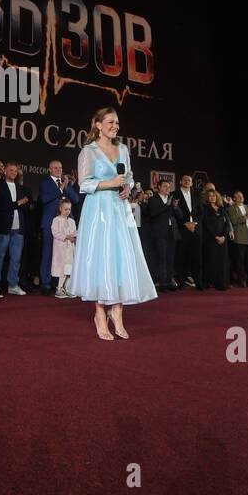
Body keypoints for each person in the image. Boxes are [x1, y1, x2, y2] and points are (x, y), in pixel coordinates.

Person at [69, 107, 156, 340]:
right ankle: (99, 313)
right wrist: (109, 183)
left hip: (119, 209)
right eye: (110, 122)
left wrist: (127, 187)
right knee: (102, 258)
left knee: (121, 258)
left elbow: (128, 177)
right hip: (98, 210)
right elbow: (84, 185)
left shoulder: (123, 149)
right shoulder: (89, 151)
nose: (115, 126)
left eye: (117, 122)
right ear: (98, 124)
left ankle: (117, 313)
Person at [35, 160, 80, 294]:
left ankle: (62, 285)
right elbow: (44, 199)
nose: (58, 169)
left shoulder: (65, 183)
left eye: (60, 167)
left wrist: (66, 187)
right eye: (55, 167)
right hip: (50, 224)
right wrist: (60, 189)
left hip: (66, 225)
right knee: (48, 254)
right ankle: (46, 284)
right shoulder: (45, 183)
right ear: (49, 169)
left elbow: (76, 199)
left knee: (66, 255)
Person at [0, 161, 31, 296]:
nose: (13, 172)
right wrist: (18, 203)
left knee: (16, 258)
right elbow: (0, 207)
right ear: (5, 171)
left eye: (15, 171)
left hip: (18, 228)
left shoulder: (20, 187)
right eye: (11, 170)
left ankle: (13, 284)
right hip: (3, 228)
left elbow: (25, 207)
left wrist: (18, 204)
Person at [145, 178, 179, 290]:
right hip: (160, 233)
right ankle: (162, 283)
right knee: (162, 258)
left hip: (172, 232)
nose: (167, 189)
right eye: (165, 186)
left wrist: (175, 207)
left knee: (171, 257)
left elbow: (180, 216)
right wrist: (167, 206)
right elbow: (153, 213)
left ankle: (170, 281)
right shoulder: (153, 199)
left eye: (169, 187)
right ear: (158, 187)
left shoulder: (171, 200)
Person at [224, 190, 248, 287]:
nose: (241, 197)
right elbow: (234, 221)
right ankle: (241, 280)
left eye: (242, 195)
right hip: (240, 236)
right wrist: (246, 217)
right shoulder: (231, 209)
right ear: (234, 198)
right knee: (240, 260)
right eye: (238, 196)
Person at [171, 174, 201, 286]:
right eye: (185, 180)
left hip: (196, 229)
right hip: (182, 229)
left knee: (197, 256)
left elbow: (200, 212)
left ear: (192, 183)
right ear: (180, 181)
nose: (187, 181)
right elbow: (173, 212)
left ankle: (198, 281)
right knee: (181, 255)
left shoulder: (197, 195)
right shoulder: (174, 194)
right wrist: (185, 223)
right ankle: (181, 281)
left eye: (189, 180)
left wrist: (194, 223)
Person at [198, 188, 230, 291]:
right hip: (210, 239)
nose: (212, 197)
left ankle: (220, 283)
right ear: (207, 198)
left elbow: (227, 224)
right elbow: (206, 225)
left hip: (223, 239)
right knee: (210, 260)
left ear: (217, 197)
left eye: (214, 196)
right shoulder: (205, 208)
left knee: (222, 261)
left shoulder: (222, 209)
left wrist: (224, 236)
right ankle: (208, 282)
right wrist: (216, 237)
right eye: (210, 196)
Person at [50, 198, 78, 297]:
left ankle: (67, 288)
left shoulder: (71, 221)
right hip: (60, 249)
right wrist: (66, 236)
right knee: (61, 269)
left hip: (70, 248)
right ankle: (59, 288)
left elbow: (75, 232)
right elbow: (55, 233)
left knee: (69, 269)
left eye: (69, 209)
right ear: (60, 208)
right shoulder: (56, 220)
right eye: (65, 209)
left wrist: (74, 237)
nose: (67, 211)